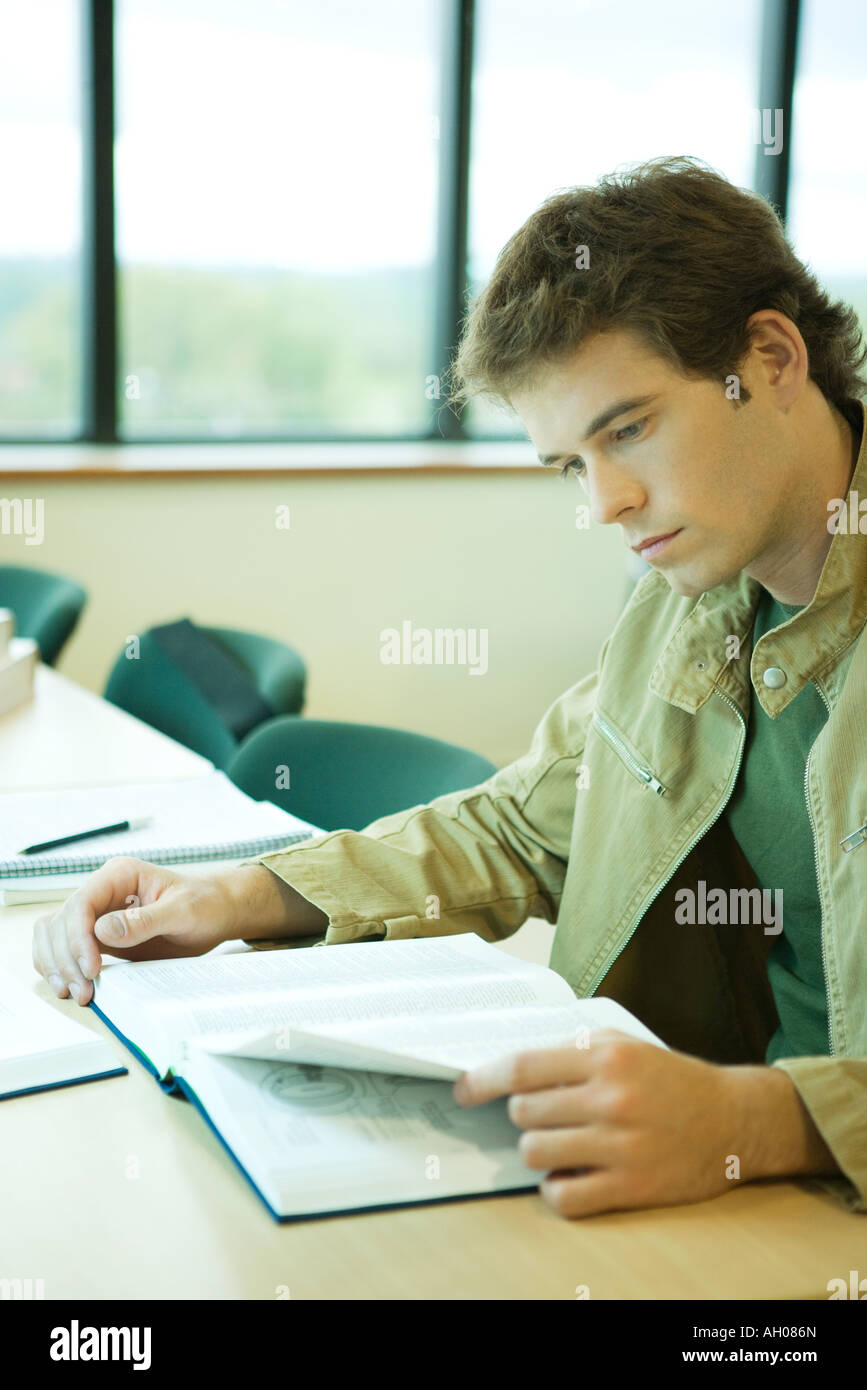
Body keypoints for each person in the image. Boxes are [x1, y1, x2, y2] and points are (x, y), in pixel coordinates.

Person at [33, 155, 867, 1221]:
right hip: (704, 1199)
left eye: (629, 429)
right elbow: (525, 823)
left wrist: (761, 1123)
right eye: (570, 463)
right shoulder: (689, 594)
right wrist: (250, 893)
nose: (605, 504)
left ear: (773, 356)